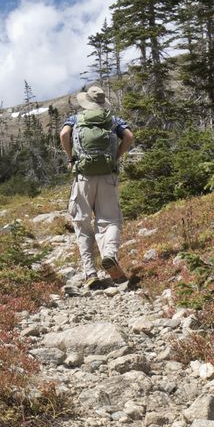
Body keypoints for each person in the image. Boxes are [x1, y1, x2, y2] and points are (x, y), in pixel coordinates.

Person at [59, 84, 134, 285]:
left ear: (86, 101)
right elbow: (129, 137)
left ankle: (90, 272)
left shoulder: (75, 119)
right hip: (108, 176)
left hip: (83, 177)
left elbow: (64, 135)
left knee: (82, 223)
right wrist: (117, 156)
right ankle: (109, 254)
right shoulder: (113, 120)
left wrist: (71, 158)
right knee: (110, 220)